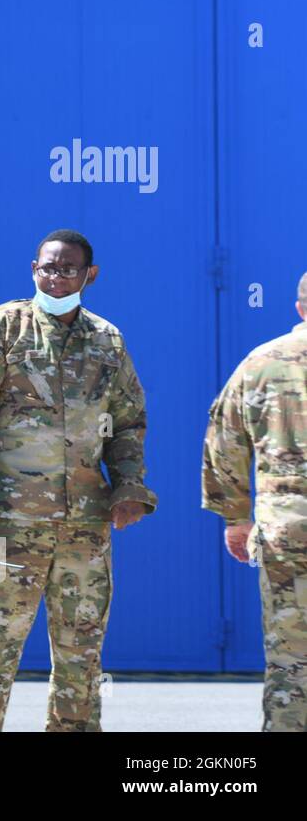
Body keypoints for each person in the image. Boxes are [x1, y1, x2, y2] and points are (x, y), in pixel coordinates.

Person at [0, 229, 154, 731]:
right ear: (33, 270)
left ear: (89, 275)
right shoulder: (2, 328)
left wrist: (129, 485)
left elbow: (127, 422)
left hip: (85, 529)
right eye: (47, 269)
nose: (56, 279)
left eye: (68, 269)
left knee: (81, 662)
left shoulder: (107, 341)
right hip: (8, 527)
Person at [202, 272, 307, 732]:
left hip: (285, 529)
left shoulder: (259, 363)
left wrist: (235, 518)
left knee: (290, 656)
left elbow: (224, 443)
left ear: (300, 307)